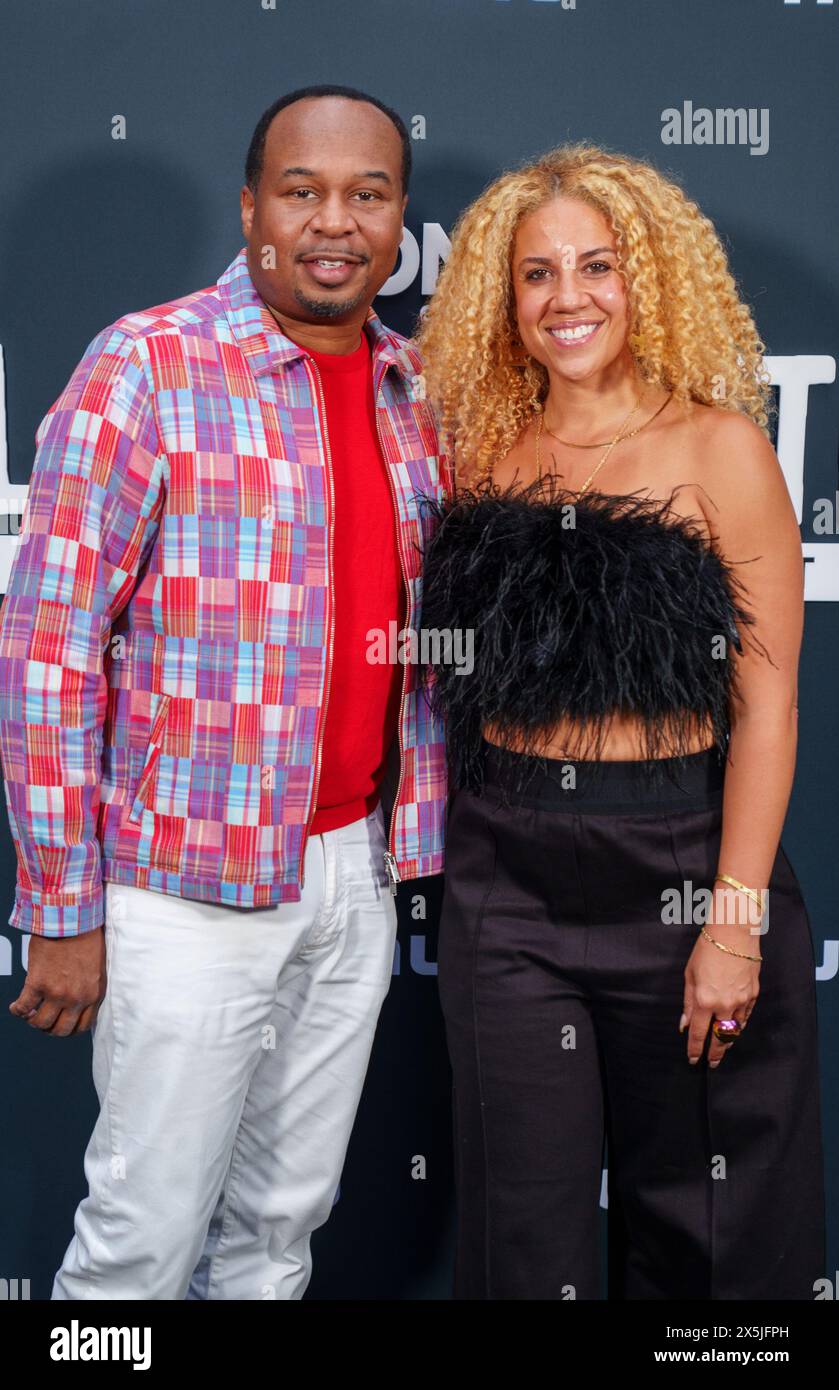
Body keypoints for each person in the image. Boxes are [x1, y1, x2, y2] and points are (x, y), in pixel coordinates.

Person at [0, 84, 450, 1300]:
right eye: (301, 191)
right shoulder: (145, 367)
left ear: (399, 218)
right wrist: (61, 902)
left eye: (366, 194)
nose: (332, 222)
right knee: (137, 1242)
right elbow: (48, 648)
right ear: (250, 205)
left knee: (276, 1234)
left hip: (352, 875)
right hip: (179, 888)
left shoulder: (420, 392)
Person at [414, 143, 825, 1300]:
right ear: (503, 298)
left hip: (681, 861)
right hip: (507, 873)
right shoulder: (481, 456)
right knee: (522, 1235)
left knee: (713, 1232)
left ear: (647, 280)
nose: (566, 298)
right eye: (535, 275)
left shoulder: (719, 449)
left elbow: (768, 701)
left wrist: (731, 924)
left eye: (596, 266)